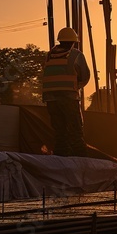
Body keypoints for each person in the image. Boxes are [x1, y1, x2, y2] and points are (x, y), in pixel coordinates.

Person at [41, 27, 91, 156]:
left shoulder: (49, 55)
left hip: (51, 99)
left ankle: (61, 160)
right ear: (73, 42)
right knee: (75, 131)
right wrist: (76, 86)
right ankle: (81, 161)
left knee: (59, 133)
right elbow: (85, 76)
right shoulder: (76, 55)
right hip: (69, 97)